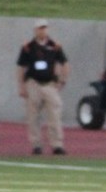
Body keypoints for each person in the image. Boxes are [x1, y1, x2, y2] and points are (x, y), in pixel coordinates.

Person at [16, 19, 69, 155]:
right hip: (33, 83)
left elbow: (65, 63)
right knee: (33, 116)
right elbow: (21, 67)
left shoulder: (54, 46)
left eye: (45, 28)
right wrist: (21, 86)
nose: (43, 31)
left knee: (55, 114)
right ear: (35, 30)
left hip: (50, 83)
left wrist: (62, 80)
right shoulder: (28, 47)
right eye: (40, 28)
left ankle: (57, 144)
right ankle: (36, 144)